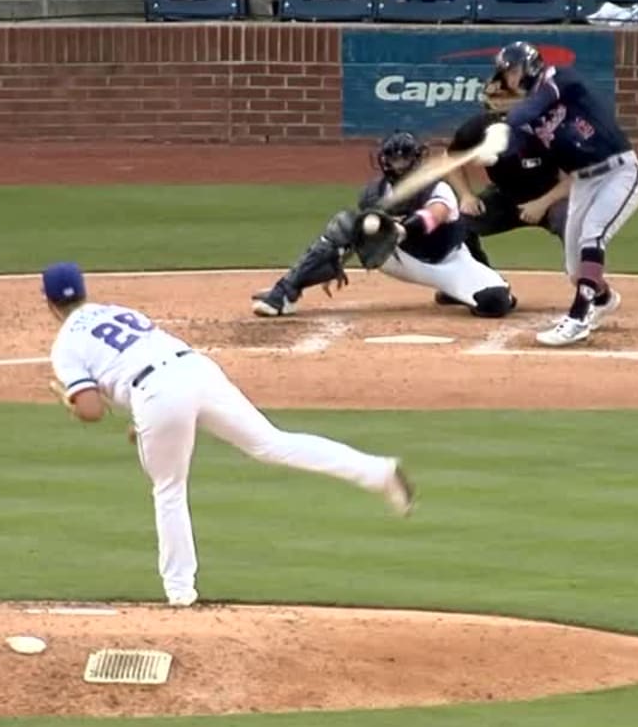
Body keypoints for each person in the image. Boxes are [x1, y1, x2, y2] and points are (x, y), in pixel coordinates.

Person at [42, 261, 415, 608]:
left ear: (49, 302)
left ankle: (180, 592)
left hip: (157, 393)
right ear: (83, 290)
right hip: (196, 370)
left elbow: (92, 410)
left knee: (169, 488)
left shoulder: (65, 346)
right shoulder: (117, 311)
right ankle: (377, 471)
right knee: (272, 443)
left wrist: (73, 404)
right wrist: (144, 421)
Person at [458, 41, 638, 347]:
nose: (510, 79)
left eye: (513, 71)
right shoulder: (528, 112)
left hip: (618, 172)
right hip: (583, 181)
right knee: (575, 269)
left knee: (592, 238)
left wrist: (506, 126)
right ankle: (603, 300)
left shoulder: (560, 79)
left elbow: (528, 110)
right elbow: (516, 139)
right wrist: (492, 148)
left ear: (529, 66)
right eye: (507, 73)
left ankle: (578, 318)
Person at [250, 131, 518, 319]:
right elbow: (364, 232)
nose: (398, 165)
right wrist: (338, 259)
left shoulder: (437, 187)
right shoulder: (374, 193)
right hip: (398, 257)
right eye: (393, 159)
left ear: (416, 160)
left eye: (404, 159)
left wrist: (404, 228)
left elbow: (435, 214)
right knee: (345, 225)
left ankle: (456, 291)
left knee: (495, 303)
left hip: (447, 261)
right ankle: (284, 292)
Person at [445, 76, 569, 277]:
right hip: (506, 197)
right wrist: (466, 195)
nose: (499, 103)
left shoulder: (547, 128)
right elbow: (450, 160)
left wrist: (542, 203)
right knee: (457, 223)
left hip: (551, 196)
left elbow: (574, 178)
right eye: (494, 97)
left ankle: (586, 286)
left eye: (505, 97)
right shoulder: (477, 128)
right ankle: (481, 281)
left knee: (574, 221)